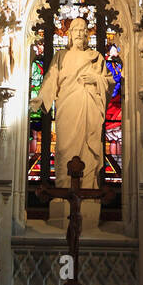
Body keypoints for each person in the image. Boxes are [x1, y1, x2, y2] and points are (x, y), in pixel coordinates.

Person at [31, 17, 112, 190]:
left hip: (89, 108)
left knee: (89, 151)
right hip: (67, 109)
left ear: (87, 35)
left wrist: (95, 78)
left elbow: (109, 83)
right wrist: (41, 98)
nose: (79, 33)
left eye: (83, 30)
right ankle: (62, 190)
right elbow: (51, 79)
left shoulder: (95, 57)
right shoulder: (61, 56)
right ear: (70, 34)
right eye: (75, 29)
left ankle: (88, 189)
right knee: (64, 150)